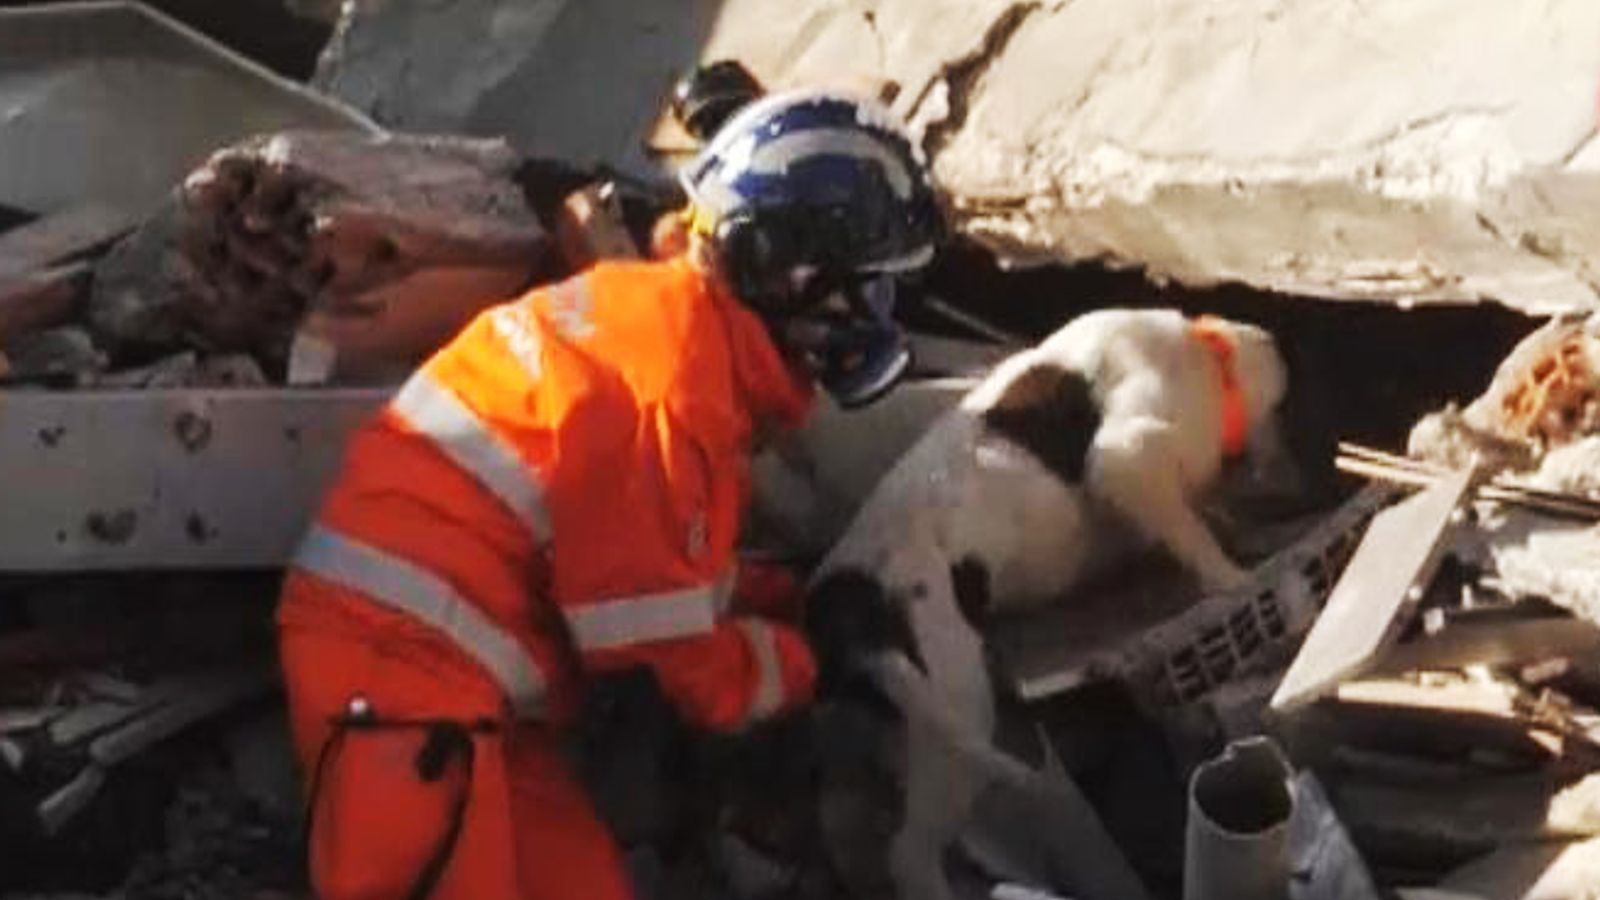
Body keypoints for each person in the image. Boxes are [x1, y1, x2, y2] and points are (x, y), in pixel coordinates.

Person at [276, 88, 944, 900]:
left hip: (450, 681)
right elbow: (669, 662)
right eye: (869, 288)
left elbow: (649, 564)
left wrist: (772, 594)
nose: (876, 315)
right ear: (787, 270)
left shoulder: (665, 334)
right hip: (396, 681)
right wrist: (810, 659)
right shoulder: (673, 393)